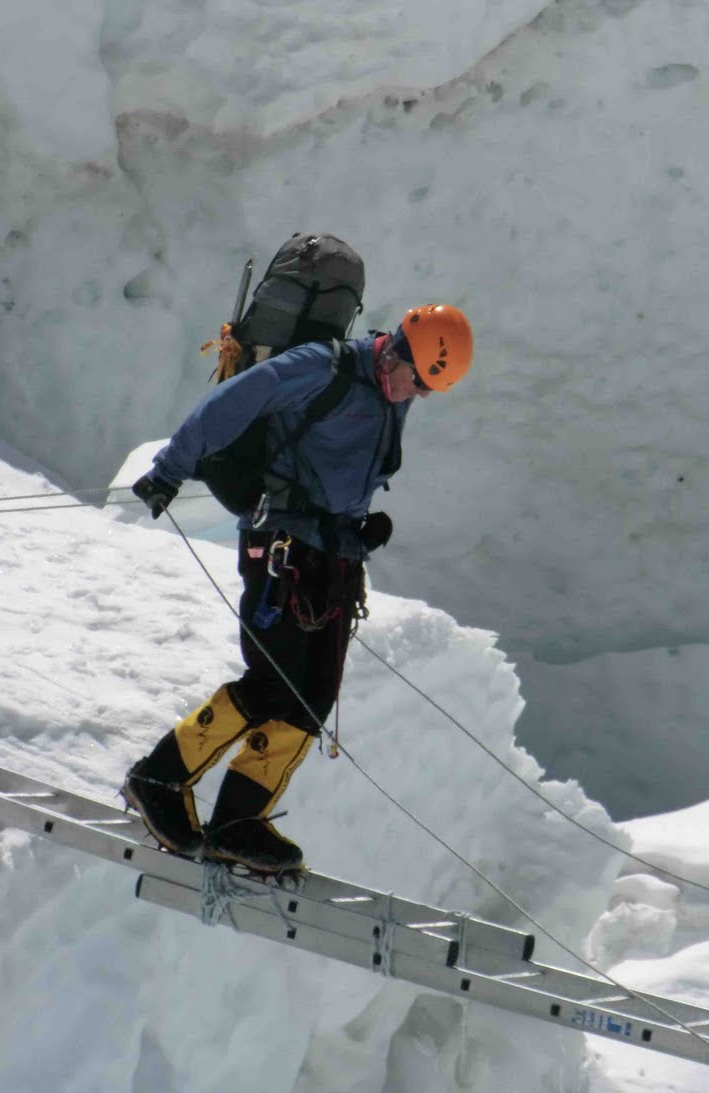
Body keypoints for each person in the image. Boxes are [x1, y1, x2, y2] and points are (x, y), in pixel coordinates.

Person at [122, 304, 474, 873]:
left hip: (331, 560)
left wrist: (359, 530)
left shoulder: (396, 392)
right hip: (280, 547)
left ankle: (238, 822)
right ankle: (159, 777)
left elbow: (341, 469)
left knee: (311, 697)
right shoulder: (323, 369)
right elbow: (229, 405)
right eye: (421, 380)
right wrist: (170, 467)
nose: (421, 395)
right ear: (399, 351)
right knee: (271, 684)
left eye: (431, 389)